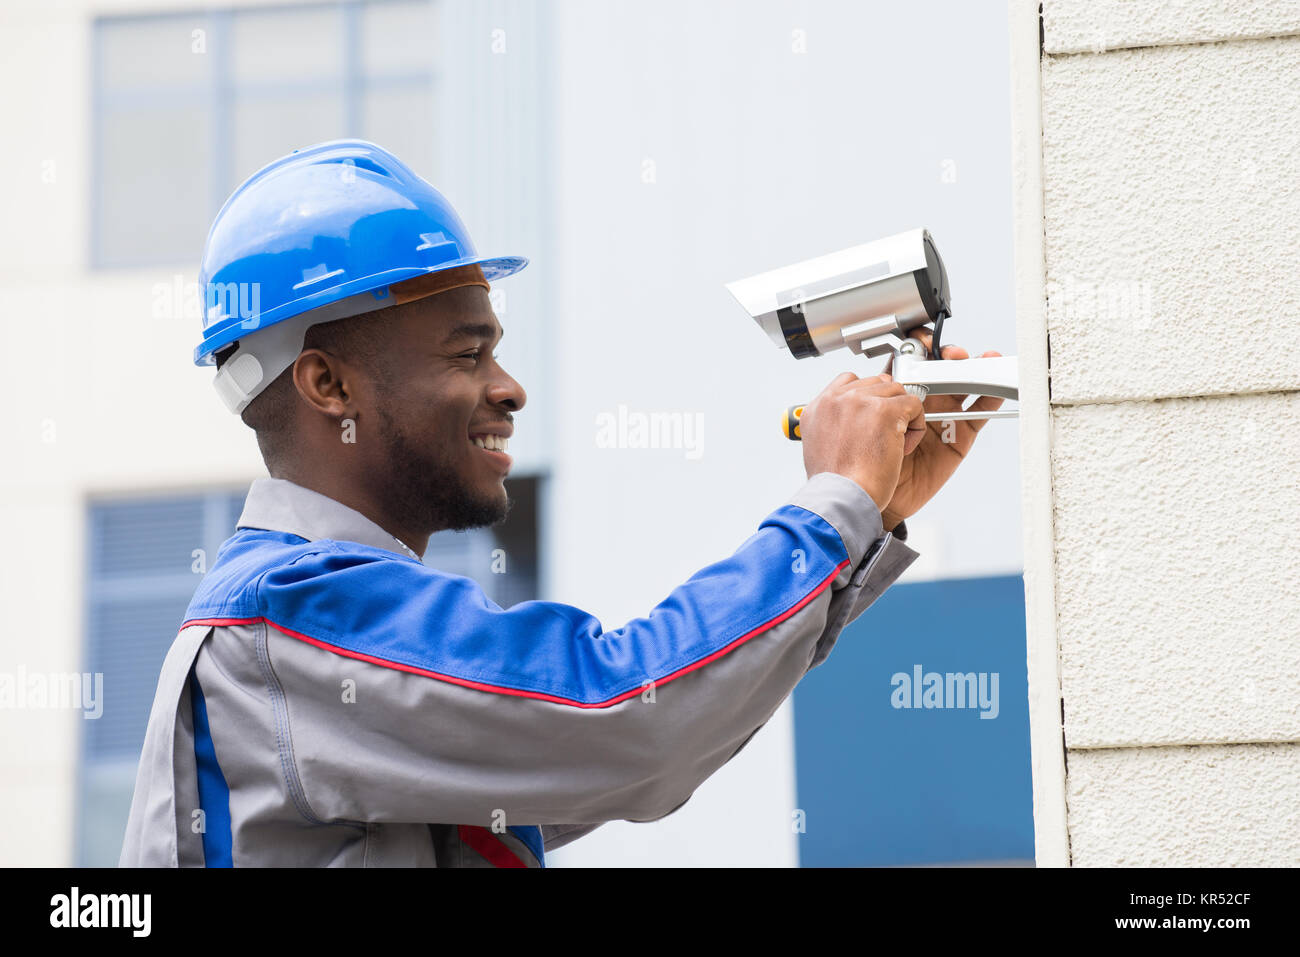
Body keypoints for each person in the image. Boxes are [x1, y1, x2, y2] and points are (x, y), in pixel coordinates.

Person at [119, 140, 1002, 867]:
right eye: (468, 354)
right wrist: (832, 506)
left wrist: (865, 518)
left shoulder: (324, 626)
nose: (509, 388)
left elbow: (651, 741)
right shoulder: (297, 610)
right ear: (328, 384)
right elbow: (630, 718)